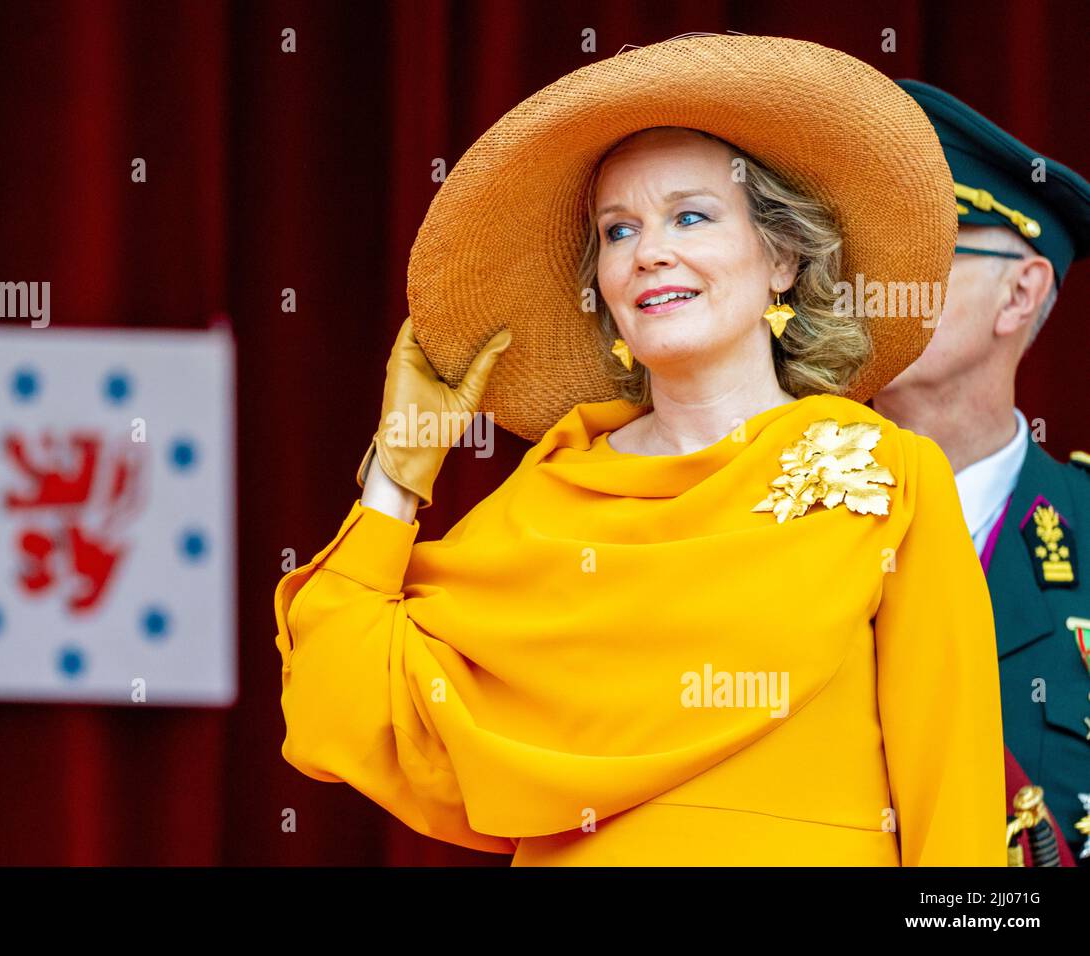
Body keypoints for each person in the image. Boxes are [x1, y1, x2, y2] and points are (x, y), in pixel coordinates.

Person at [272, 35, 1007, 865]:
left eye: (690, 216)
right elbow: (336, 700)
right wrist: (399, 472)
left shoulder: (885, 475)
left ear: (781, 256)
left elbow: (955, 799)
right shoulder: (553, 496)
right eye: (618, 230)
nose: (648, 251)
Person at [873, 80, 1090, 866]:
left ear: (1019, 293)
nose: (872, 286)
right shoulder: (762, 505)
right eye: (860, 254)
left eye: (922, 254)